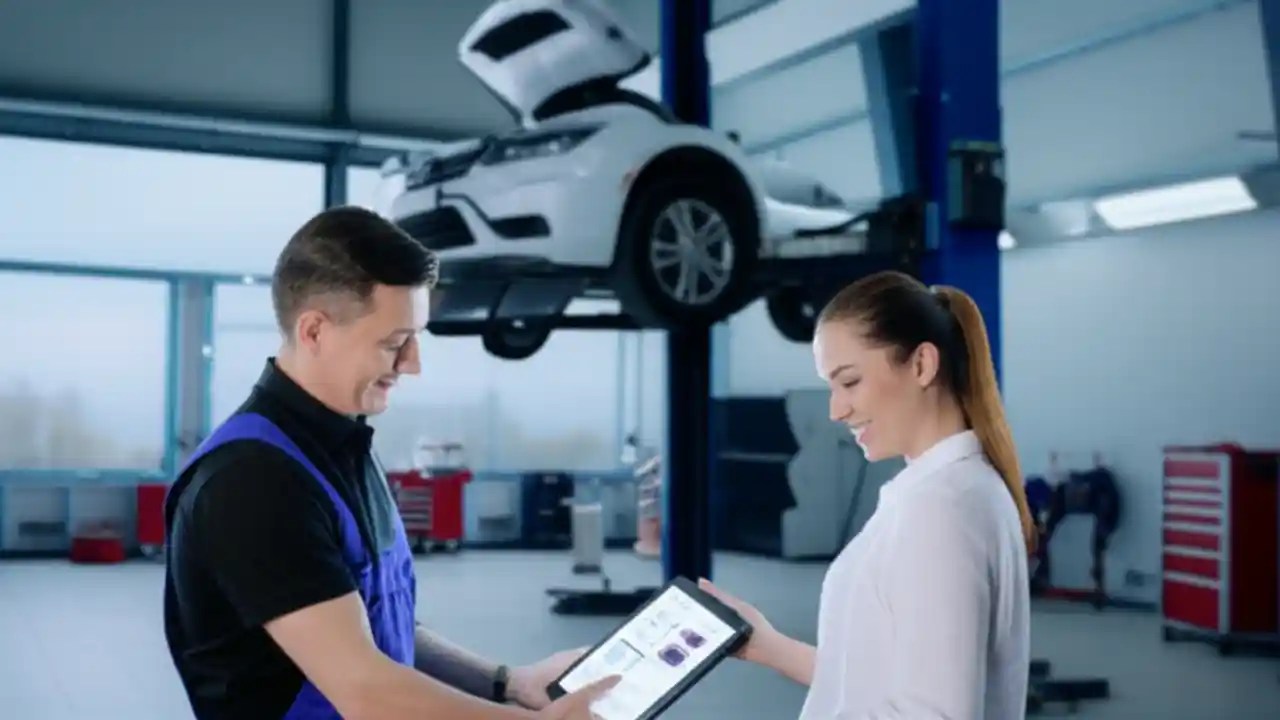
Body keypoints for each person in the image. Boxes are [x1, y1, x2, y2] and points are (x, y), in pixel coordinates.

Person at [162, 206, 617, 720]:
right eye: (395, 343)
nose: (413, 364)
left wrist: (509, 684)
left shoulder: (342, 448)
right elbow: (365, 690)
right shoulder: (251, 482)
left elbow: (377, 627)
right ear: (314, 332)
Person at [700, 270, 1036, 720]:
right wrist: (767, 646)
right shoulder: (954, 491)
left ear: (921, 365)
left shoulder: (941, 510)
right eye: (831, 387)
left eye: (850, 382)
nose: (836, 410)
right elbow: (875, 683)